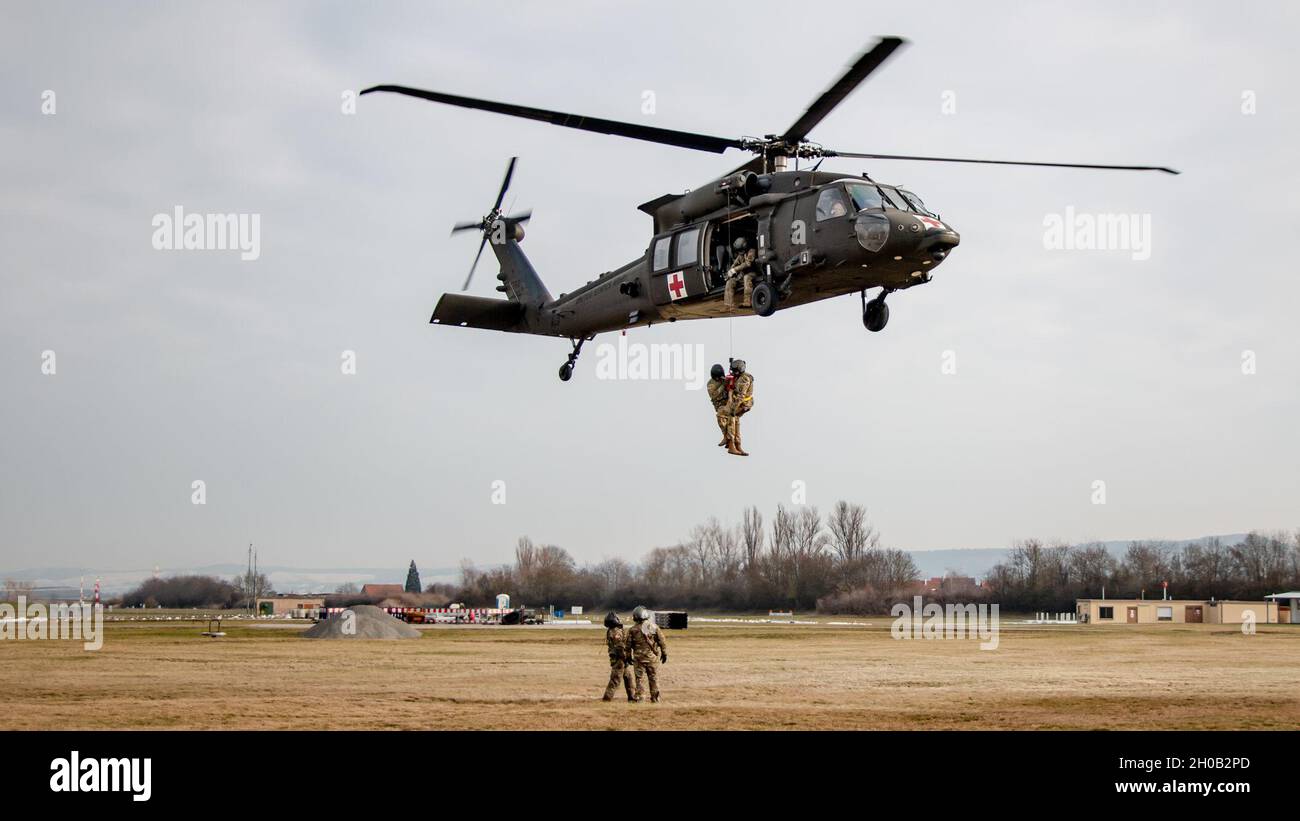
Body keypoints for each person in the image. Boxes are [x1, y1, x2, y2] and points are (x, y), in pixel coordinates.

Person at [625, 605, 668, 703]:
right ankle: (656, 698)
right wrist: (664, 653)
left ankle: (640, 698)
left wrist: (628, 656)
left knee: (640, 679)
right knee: (653, 678)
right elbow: (662, 641)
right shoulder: (653, 627)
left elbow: (628, 645)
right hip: (652, 659)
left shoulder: (632, 630)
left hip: (639, 659)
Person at [601, 611, 635, 702]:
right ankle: (607, 698)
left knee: (628, 678)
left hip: (618, 658)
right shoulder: (616, 631)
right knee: (615, 679)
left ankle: (632, 696)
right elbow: (620, 646)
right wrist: (626, 657)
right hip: (620, 659)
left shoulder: (611, 631)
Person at [726, 359, 754, 457]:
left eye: (736, 371)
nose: (734, 373)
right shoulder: (741, 376)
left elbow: (740, 396)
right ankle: (738, 445)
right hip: (742, 403)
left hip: (743, 403)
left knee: (731, 417)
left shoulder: (744, 379)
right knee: (736, 420)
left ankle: (731, 445)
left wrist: (733, 408)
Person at [723, 237, 757, 310]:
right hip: (743, 275)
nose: (739, 252)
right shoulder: (740, 255)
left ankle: (747, 302)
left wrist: (734, 270)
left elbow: (748, 264)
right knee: (730, 282)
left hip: (753, 273)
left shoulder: (752, 251)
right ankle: (728, 305)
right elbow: (735, 264)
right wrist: (729, 272)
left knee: (746, 277)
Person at [707, 363, 732, 449]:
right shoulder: (711, 384)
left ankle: (731, 439)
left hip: (729, 402)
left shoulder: (724, 378)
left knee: (731, 422)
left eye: (720, 377)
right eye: (717, 378)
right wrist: (723, 385)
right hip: (719, 404)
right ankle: (726, 437)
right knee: (721, 419)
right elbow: (714, 395)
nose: (719, 379)